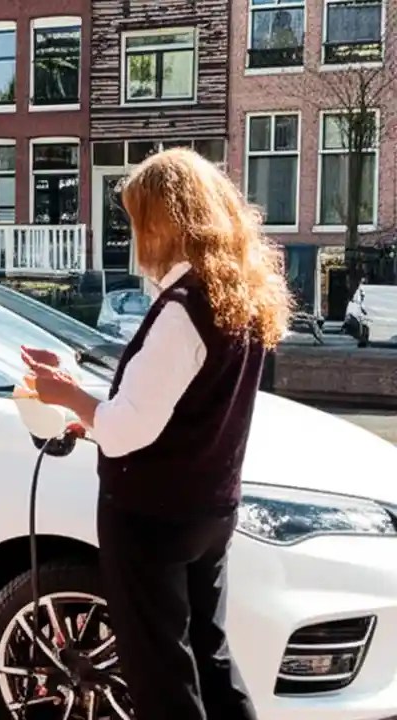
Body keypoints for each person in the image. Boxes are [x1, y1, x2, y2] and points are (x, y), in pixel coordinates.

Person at [21, 147, 292, 720]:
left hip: (151, 518)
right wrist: (85, 395)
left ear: (163, 223)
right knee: (209, 656)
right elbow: (177, 404)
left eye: (136, 219)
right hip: (210, 509)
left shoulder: (180, 308)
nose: (133, 233)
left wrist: (66, 395)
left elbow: (125, 429)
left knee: (160, 673)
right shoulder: (234, 300)